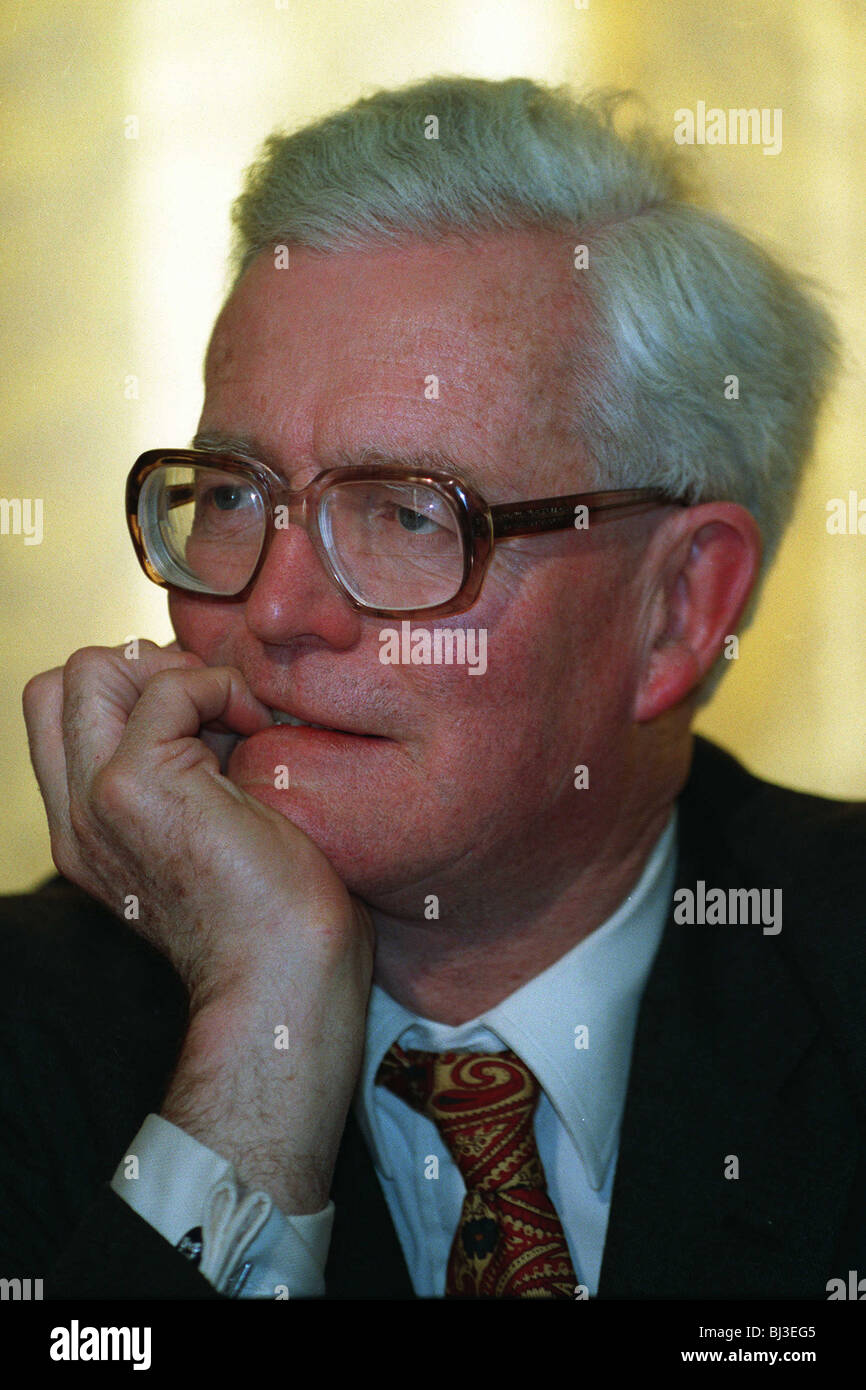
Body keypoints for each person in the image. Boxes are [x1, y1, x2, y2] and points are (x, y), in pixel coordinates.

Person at [4, 75, 864, 1302]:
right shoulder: (29, 1032)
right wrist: (260, 1037)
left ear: (677, 610)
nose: (277, 609)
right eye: (235, 495)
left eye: (409, 515)